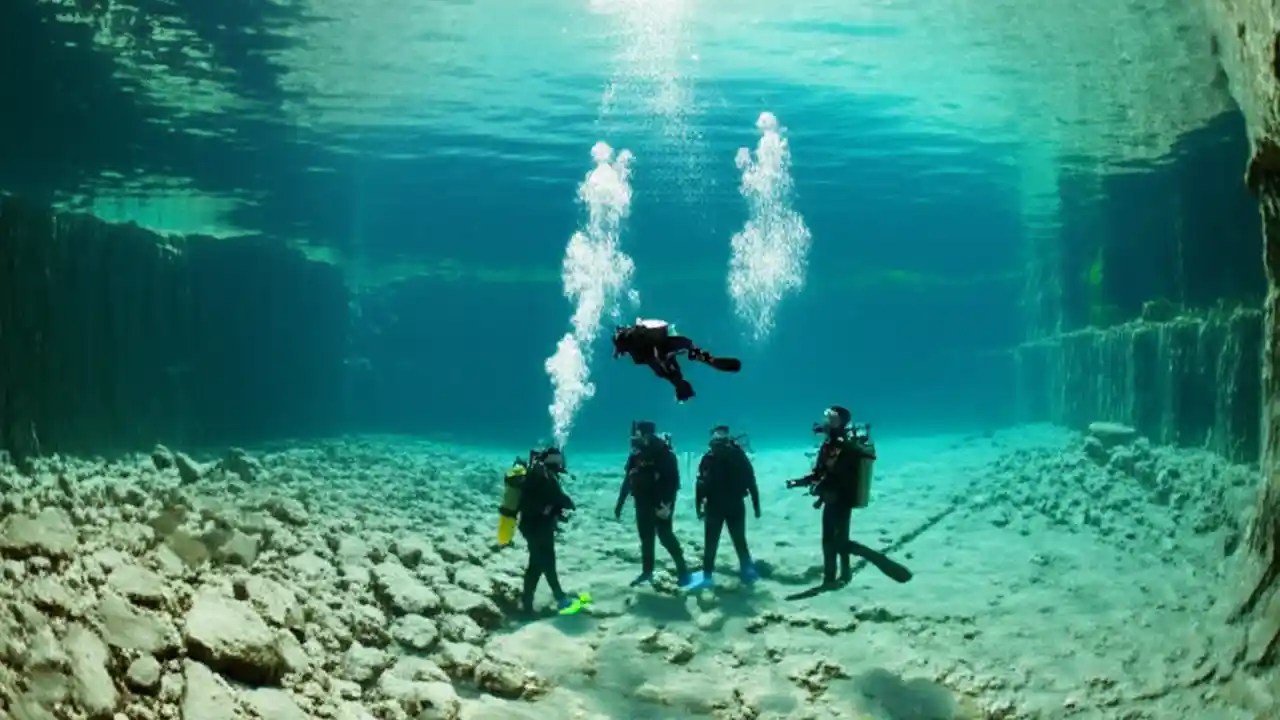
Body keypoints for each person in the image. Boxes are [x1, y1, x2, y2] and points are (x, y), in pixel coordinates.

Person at [681, 425, 760, 591]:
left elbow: (700, 485)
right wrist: (755, 505)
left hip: (721, 506)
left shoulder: (722, 457)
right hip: (728, 505)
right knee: (732, 540)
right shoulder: (731, 456)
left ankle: (711, 575)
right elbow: (750, 481)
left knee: (719, 541)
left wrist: (698, 507)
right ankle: (743, 570)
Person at [615, 421, 691, 586]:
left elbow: (673, 482)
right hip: (642, 501)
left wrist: (667, 505)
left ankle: (683, 570)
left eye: (637, 433)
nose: (634, 437)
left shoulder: (664, 454)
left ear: (646, 434)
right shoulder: (636, 454)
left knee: (665, 535)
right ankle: (647, 571)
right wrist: (620, 503)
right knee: (646, 537)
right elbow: (628, 478)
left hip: (660, 503)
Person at [611, 318, 742, 402]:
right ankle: (702, 358)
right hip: (659, 346)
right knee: (672, 365)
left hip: (654, 350)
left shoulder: (628, 341)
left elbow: (621, 350)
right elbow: (682, 343)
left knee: (668, 370)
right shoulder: (633, 339)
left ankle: (698, 360)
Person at [516, 446, 581, 614]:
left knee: (537, 564)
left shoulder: (540, 473)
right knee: (546, 562)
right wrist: (563, 505)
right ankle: (560, 599)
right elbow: (558, 498)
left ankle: (528, 603)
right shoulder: (543, 475)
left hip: (534, 526)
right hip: (537, 527)